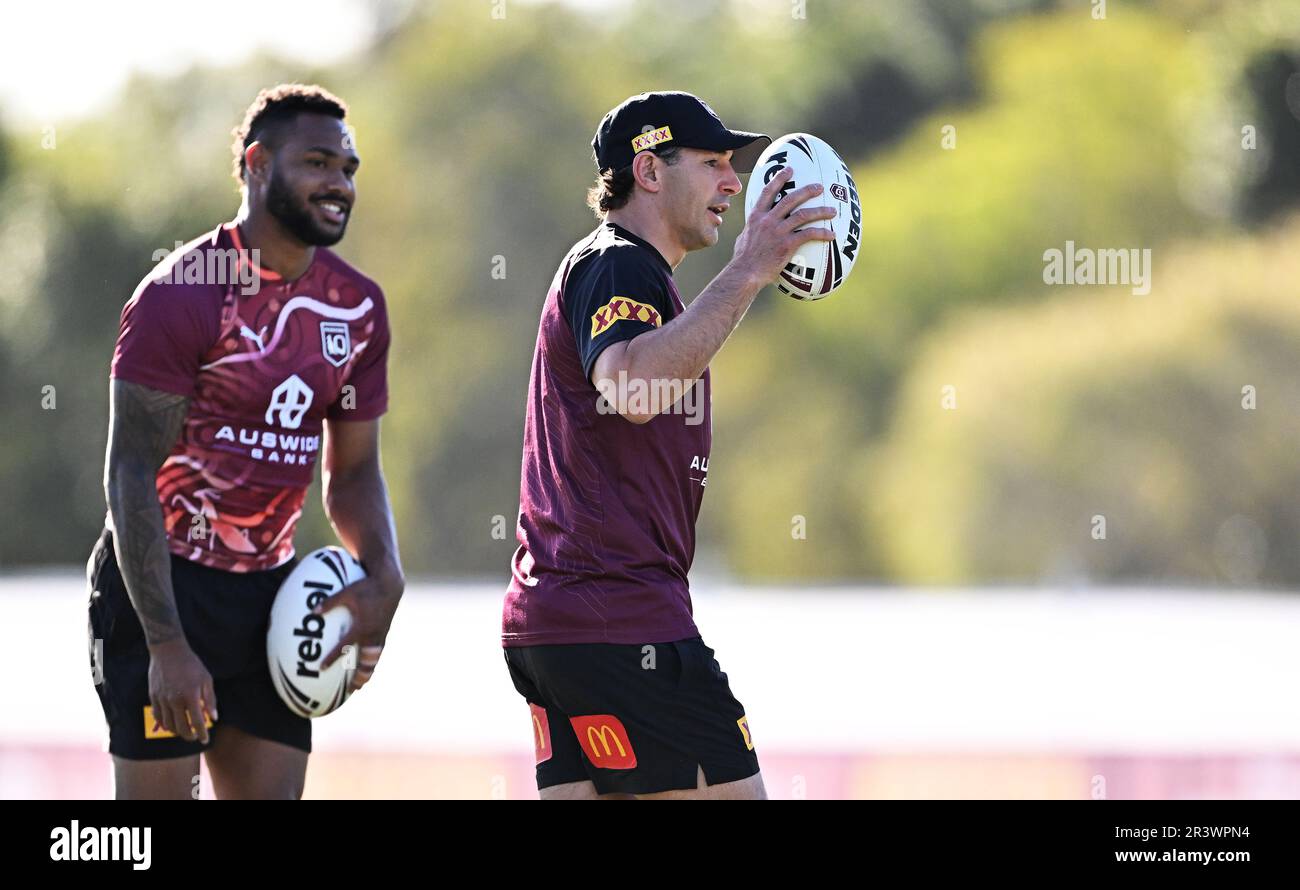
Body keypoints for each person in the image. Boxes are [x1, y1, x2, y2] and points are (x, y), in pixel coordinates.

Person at [502, 91, 837, 799]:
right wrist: (749, 270)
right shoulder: (620, 264)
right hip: (621, 622)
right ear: (649, 171)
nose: (733, 183)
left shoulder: (636, 277)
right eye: (713, 162)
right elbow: (630, 387)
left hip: (558, 622)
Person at [88, 84, 404, 799]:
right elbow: (131, 473)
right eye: (318, 163)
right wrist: (166, 644)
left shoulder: (358, 308)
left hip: (270, 592)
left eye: (349, 168)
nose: (339, 184)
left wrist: (384, 571)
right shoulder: (182, 293)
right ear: (258, 165)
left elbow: (352, 473)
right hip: (163, 587)